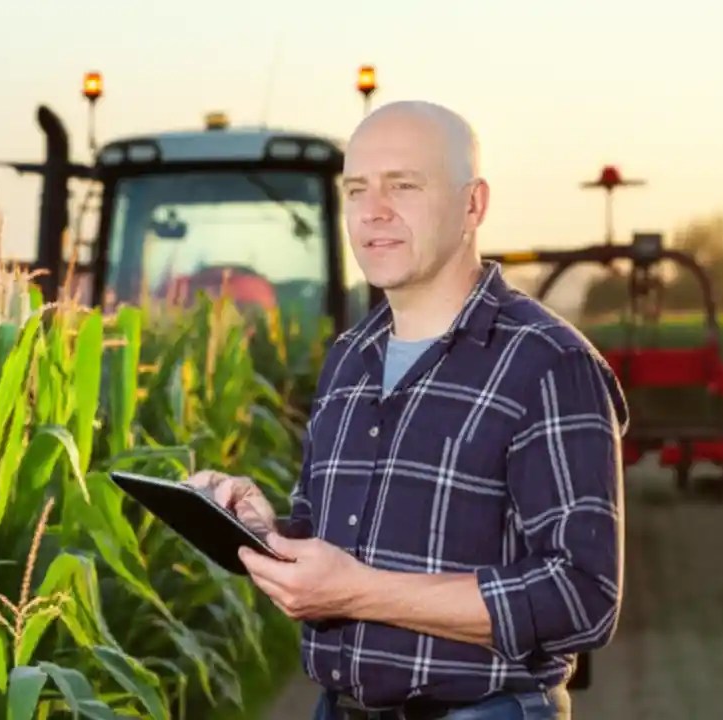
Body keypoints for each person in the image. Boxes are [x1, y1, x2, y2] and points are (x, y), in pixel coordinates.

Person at [187, 100, 628, 719]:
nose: (374, 210)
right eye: (357, 190)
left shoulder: (548, 362)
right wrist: (268, 533)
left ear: (473, 205)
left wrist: (360, 593)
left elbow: (582, 595)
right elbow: (341, 548)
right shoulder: (349, 359)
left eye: (403, 186)